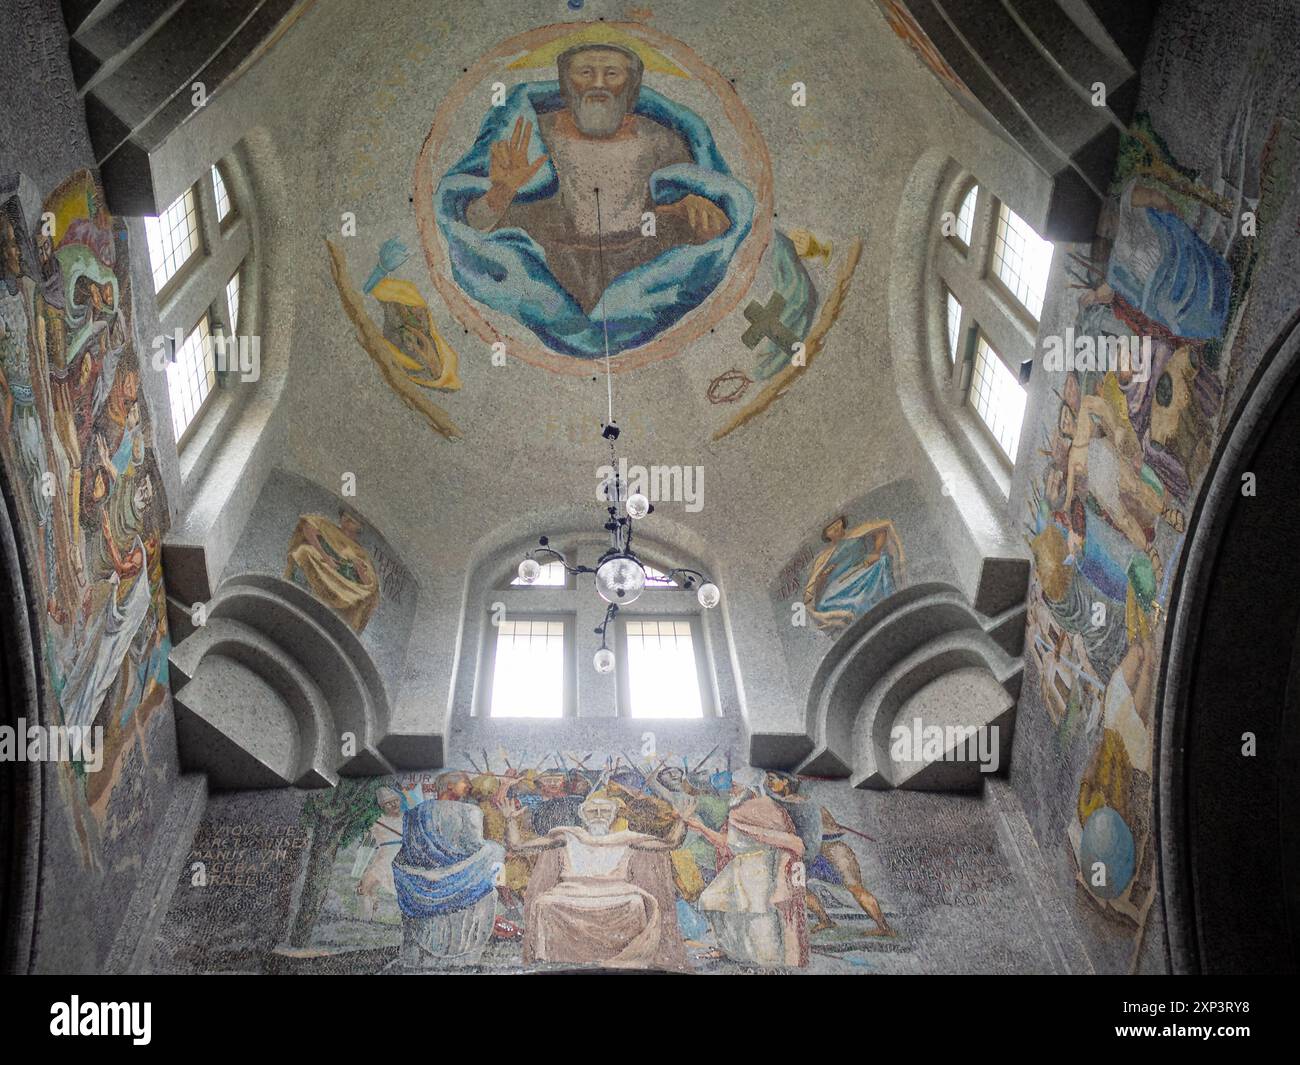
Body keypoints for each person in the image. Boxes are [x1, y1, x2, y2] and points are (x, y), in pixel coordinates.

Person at [464, 44, 728, 314]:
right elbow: (472, 227)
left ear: (631, 84)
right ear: (566, 82)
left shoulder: (662, 142)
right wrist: (502, 192)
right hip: (546, 274)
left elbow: (701, 224)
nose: (598, 85)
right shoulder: (527, 134)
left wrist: (699, 220)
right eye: (586, 72)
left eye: (612, 73)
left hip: (637, 275)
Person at [504, 791, 687, 969]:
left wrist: (682, 820)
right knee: (545, 903)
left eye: (605, 811)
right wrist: (510, 819)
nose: (599, 815)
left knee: (635, 903)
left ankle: (629, 958)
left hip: (618, 890)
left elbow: (670, 843)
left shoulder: (626, 838)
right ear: (583, 816)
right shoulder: (568, 836)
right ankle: (556, 959)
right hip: (571, 890)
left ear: (613, 816)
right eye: (593, 811)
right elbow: (517, 845)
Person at [690, 770, 809, 967]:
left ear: (749, 787)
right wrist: (700, 827)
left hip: (760, 867)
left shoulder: (766, 807)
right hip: (739, 866)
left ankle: (767, 958)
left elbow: (786, 842)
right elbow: (728, 843)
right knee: (711, 900)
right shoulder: (737, 810)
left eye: (735, 786)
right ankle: (731, 948)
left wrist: (701, 828)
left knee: (758, 912)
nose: (730, 791)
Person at [284, 508, 380, 632]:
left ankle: (331, 623)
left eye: (352, 520)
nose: (346, 520)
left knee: (359, 597)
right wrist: (325, 555)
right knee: (303, 551)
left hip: (343, 580)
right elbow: (308, 527)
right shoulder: (328, 527)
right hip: (321, 563)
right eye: (345, 516)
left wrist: (359, 570)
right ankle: (294, 593)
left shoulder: (359, 551)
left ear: (359, 527)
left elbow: (370, 584)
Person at [803, 516, 904, 632]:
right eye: (830, 529)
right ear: (826, 535)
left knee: (882, 560)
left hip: (865, 569)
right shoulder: (824, 556)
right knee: (833, 605)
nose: (835, 528)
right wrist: (823, 576)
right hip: (840, 586)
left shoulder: (857, 532)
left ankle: (891, 606)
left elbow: (881, 530)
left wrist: (876, 551)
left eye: (837, 523)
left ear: (842, 522)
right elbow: (814, 586)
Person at [355, 785, 405, 921]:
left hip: (399, 859)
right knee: (364, 887)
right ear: (382, 806)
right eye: (388, 803)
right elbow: (366, 843)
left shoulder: (408, 818)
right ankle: (365, 919)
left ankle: (366, 917)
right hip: (383, 860)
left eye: (395, 800)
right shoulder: (377, 821)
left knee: (366, 886)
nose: (394, 804)